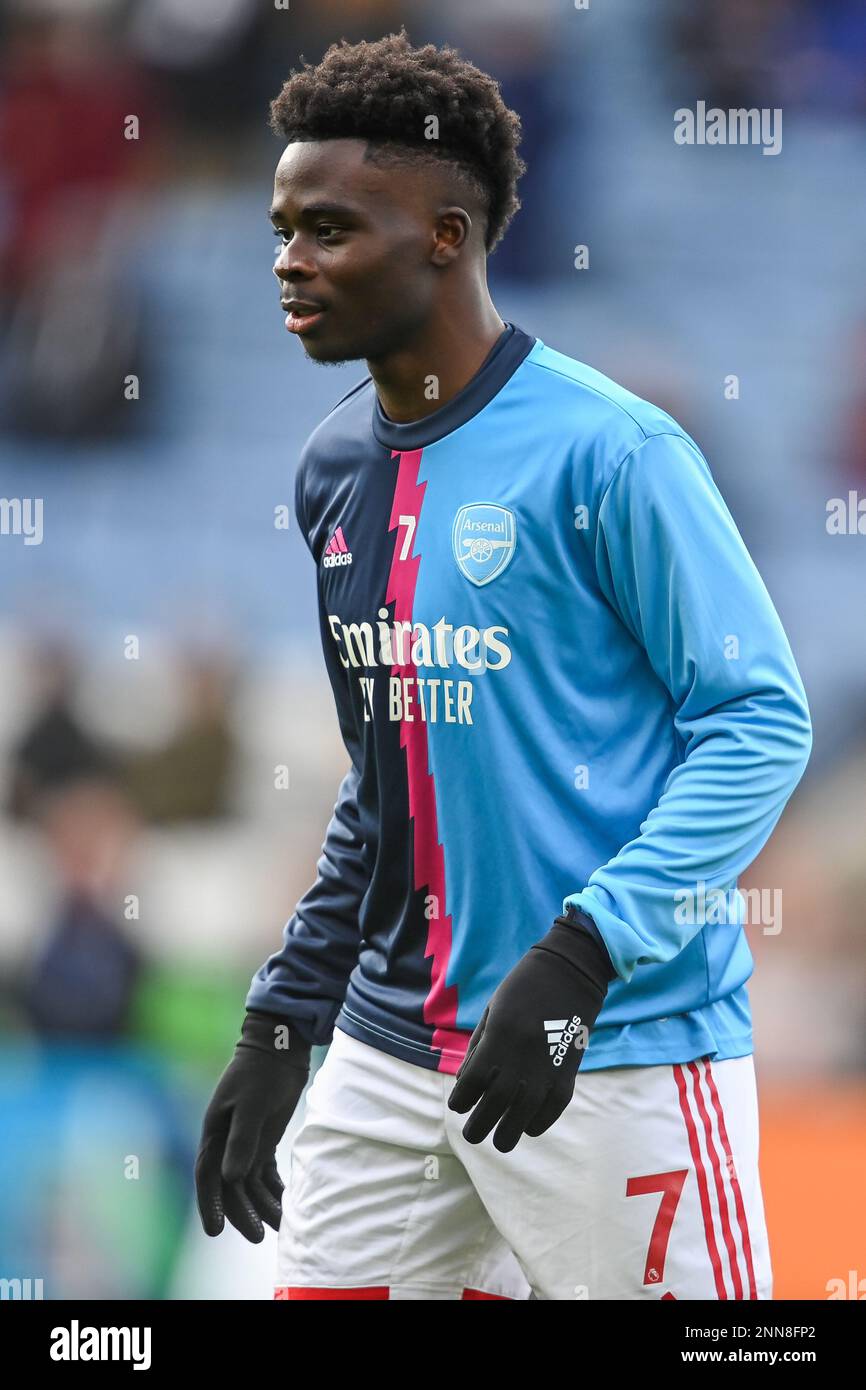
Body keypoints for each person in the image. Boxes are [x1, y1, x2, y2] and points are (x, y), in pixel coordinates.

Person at [195, 31, 812, 1301]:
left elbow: (757, 723)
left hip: (615, 1045)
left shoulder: (613, 453)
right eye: (281, 226)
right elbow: (388, 778)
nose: (288, 262)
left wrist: (582, 955)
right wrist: (282, 1012)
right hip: (391, 1044)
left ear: (446, 234)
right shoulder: (333, 471)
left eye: (328, 228)